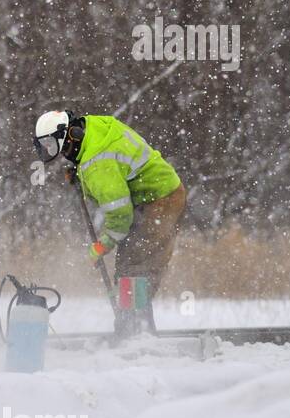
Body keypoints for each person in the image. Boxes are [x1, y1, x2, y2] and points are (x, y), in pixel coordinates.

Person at [33, 110, 186, 337]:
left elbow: (120, 216)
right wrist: (79, 169)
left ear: (68, 136)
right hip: (150, 195)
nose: (50, 150)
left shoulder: (97, 163)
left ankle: (137, 334)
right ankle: (132, 329)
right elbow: (106, 162)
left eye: (51, 144)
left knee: (135, 268)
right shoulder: (91, 129)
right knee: (129, 267)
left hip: (161, 199)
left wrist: (102, 245)